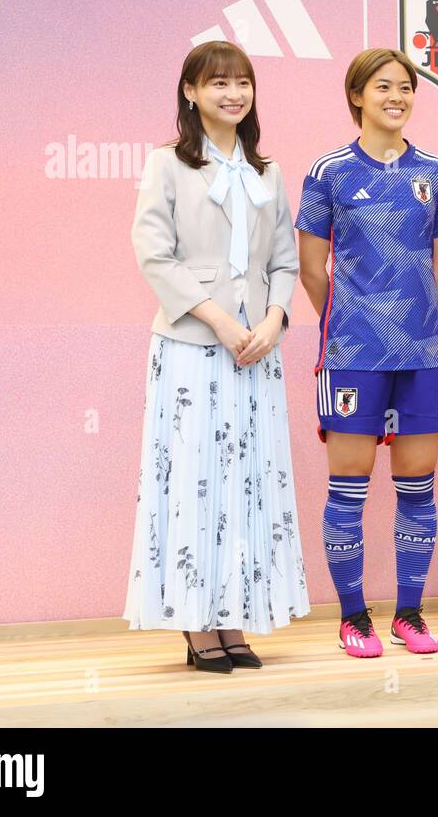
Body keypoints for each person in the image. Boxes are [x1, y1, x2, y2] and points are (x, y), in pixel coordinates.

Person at [124, 40, 310, 673]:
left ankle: (232, 618)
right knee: (195, 482)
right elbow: (155, 255)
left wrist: (274, 318)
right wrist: (221, 321)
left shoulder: (268, 173)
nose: (233, 94)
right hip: (191, 349)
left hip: (257, 352)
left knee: (247, 484)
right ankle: (197, 625)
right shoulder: (167, 165)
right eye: (218, 83)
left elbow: (285, 259)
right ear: (190, 92)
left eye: (243, 84)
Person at [296, 48, 438, 657]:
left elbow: (437, 268)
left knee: (418, 487)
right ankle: (353, 615)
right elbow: (314, 271)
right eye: (383, 86)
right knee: (349, 488)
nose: (397, 96)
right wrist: (358, 322)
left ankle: (410, 614)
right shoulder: (328, 172)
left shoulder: (436, 174)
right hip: (351, 355)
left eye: (406, 87)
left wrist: (402, 319)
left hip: (421, 354)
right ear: (357, 96)